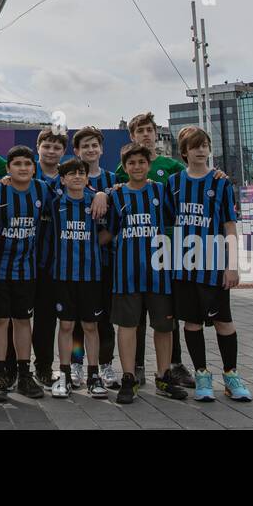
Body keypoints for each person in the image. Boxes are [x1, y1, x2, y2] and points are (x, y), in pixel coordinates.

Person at [169, 126, 251, 403]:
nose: (201, 150)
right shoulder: (174, 183)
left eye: (205, 145)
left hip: (214, 265)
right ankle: (202, 374)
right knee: (191, 323)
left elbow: (229, 226)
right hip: (183, 266)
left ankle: (231, 375)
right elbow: (167, 221)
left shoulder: (220, 183)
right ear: (184, 152)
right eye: (195, 146)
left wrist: (233, 265)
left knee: (223, 322)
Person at [101, 144, 188, 403]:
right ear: (124, 167)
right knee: (127, 326)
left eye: (141, 162)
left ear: (149, 165)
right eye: (131, 163)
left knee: (164, 326)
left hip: (159, 273)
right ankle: (129, 376)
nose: (137, 167)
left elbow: (177, 219)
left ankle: (163, 376)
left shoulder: (161, 192)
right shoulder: (116, 196)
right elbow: (109, 232)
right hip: (126, 274)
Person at [119, 111, 198, 390]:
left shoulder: (171, 166)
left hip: (167, 249)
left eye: (149, 130)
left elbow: (193, 184)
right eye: (139, 131)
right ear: (132, 136)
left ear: (155, 133)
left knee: (167, 313)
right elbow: (114, 191)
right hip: (135, 253)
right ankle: (137, 366)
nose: (145, 135)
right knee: (135, 316)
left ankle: (172, 366)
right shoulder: (124, 170)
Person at [0, 145, 54, 400]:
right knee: (0, 322)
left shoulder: (42, 189)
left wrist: (104, 194)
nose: (23, 168)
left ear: (34, 168)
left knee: (23, 321)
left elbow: (75, 194)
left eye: (28, 164)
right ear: (8, 169)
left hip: (27, 270)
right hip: (0, 269)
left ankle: (25, 374)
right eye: (17, 164)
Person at [47, 158, 107, 398]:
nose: (76, 177)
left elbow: (109, 230)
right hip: (63, 275)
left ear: (87, 177)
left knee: (90, 326)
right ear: (62, 179)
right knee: (67, 325)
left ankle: (94, 375)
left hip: (90, 275)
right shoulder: (54, 204)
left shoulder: (97, 202)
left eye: (81, 173)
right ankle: (63, 375)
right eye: (70, 173)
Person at [71, 126, 118, 389]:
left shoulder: (113, 180)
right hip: (76, 264)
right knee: (77, 319)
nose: (90, 149)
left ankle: (105, 364)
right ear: (76, 151)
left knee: (104, 317)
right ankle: (76, 363)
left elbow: (115, 224)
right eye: (85, 146)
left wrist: (103, 193)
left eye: (94, 145)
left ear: (101, 149)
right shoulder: (70, 178)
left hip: (105, 262)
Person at [31, 126, 67, 388]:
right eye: (47, 145)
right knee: (16, 319)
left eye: (57, 147)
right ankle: (11, 369)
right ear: (38, 147)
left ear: (63, 152)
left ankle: (43, 366)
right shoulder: (21, 171)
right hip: (21, 260)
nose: (51, 151)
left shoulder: (70, 176)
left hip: (53, 261)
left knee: (46, 318)